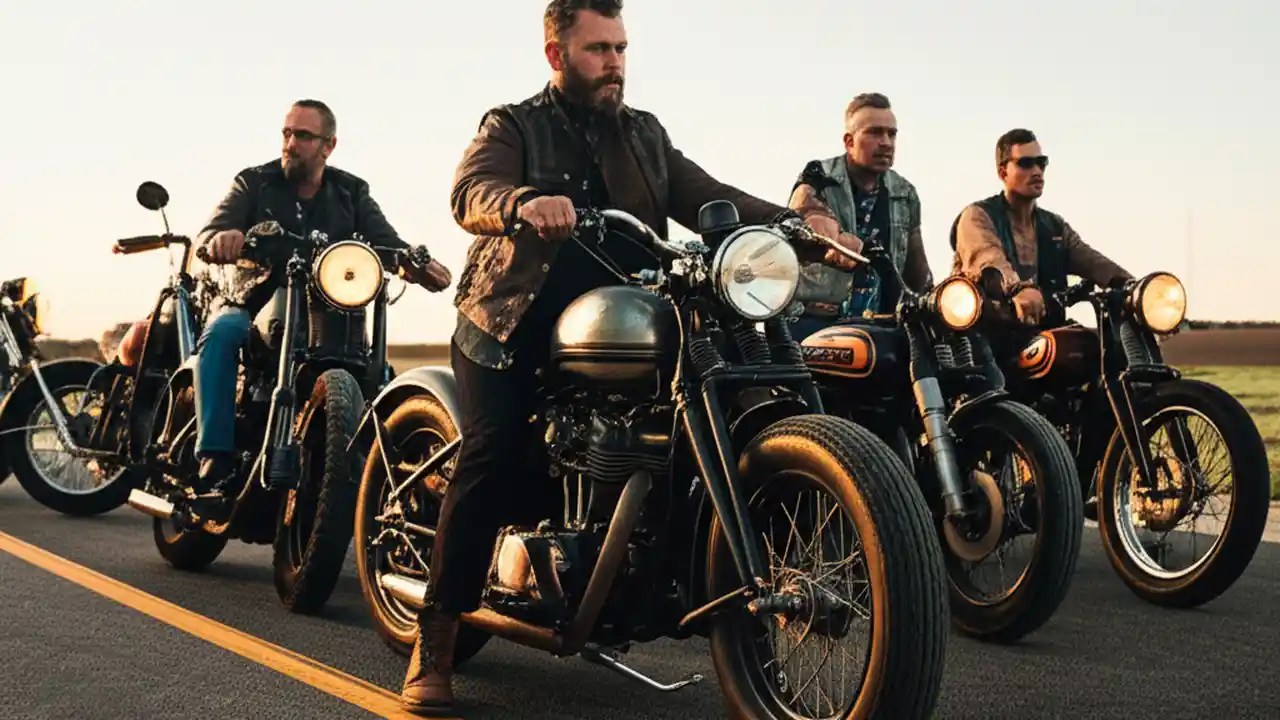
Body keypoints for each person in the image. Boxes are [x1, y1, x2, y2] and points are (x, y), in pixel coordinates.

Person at [398, 1, 838, 714]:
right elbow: (470, 189)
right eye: (599, 49)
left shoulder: (645, 136)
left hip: (615, 325)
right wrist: (521, 203)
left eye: (622, 48)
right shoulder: (513, 124)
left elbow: (708, 196)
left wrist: (793, 221)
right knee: (494, 451)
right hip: (512, 319)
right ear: (556, 56)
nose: (615, 63)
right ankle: (436, 639)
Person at [191, 98, 452, 522]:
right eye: (287, 133)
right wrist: (222, 238)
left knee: (379, 374)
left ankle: (391, 480)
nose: (291, 143)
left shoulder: (351, 192)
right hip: (255, 303)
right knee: (220, 337)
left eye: (303, 136)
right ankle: (215, 459)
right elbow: (212, 228)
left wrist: (416, 264)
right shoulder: (254, 183)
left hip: (327, 317)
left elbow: (386, 242)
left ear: (328, 145)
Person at [950, 127, 1131, 343]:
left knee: (1091, 350)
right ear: (1002, 172)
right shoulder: (978, 216)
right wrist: (1018, 289)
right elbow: (988, 258)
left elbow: (1093, 261)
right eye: (1025, 163)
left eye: (1041, 162)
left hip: (1045, 334)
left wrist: (1137, 289)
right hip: (987, 342)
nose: (1036, 171)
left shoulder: (1054, 226)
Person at [786, 92, 933, 339]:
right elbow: (802, 205)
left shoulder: (904, 193)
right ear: (849, 141)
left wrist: (938, 301)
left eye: (891, 133)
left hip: (882, 323)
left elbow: (916, 268)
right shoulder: (818, 176)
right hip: (817, 321)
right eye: (875, 132)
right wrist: (815, 218)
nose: (886, 142)